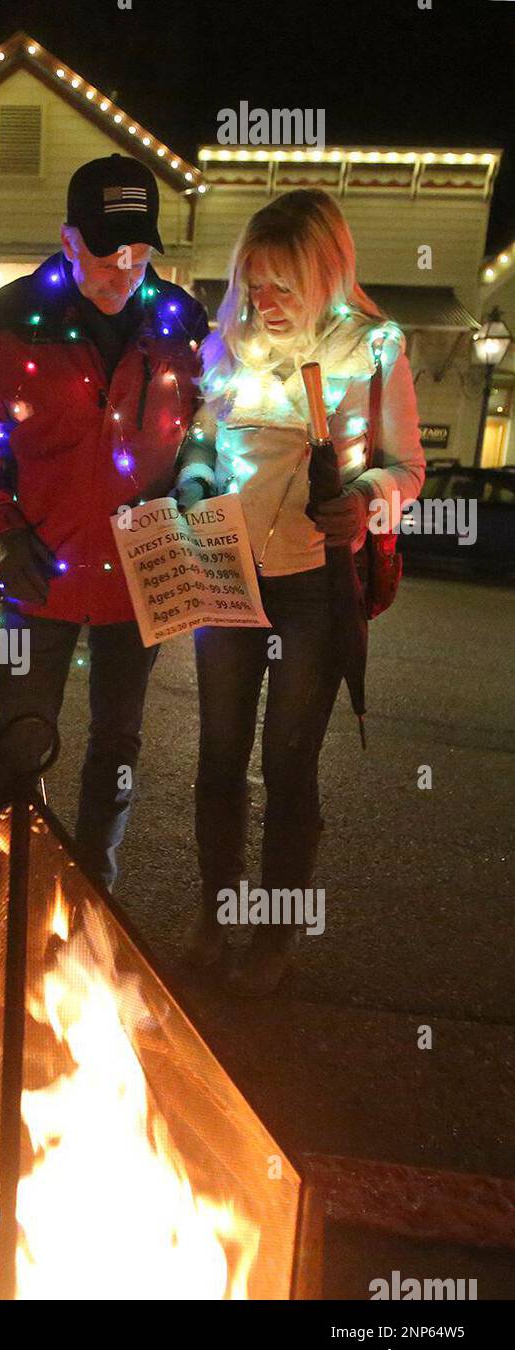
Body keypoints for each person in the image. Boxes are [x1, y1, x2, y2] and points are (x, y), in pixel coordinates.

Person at [175, 189, 425, 993]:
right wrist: (195, 480)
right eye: (254, 284)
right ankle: (217, 915)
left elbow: (408, 469)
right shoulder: (226, 348)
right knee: (217, 758)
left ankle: (275, 937)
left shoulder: (373, 351)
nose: (265, 303)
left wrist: (364, 498)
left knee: (288, 765)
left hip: (315, 590)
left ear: (325, 276)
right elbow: (201, 442)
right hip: (226, 579)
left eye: (284, 286)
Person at [0, 154, 209, 888]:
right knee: (23, 738)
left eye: (139, 250)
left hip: (141, 573)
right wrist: (1, 532)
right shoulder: (9, 317)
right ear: (67, 241)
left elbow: (205, 433)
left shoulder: (182, 319)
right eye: (105, 250)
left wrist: (196, 490)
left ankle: (92, 896)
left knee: (118, 747)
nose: (124, 270)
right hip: (41, 567)